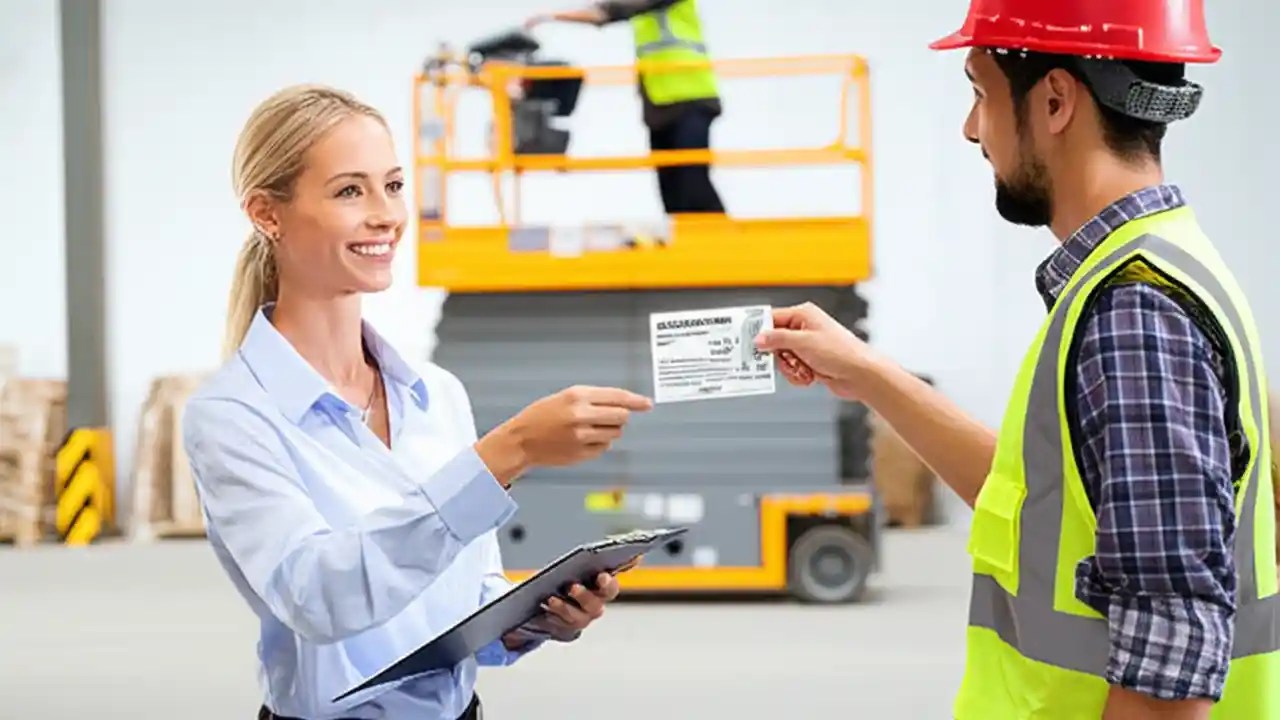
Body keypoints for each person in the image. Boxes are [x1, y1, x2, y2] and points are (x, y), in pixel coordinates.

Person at [754, 1, 1280, 718]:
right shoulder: (1158, 266)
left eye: (980, 91)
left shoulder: (1134, 313)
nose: (973, 128)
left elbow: (1171, 665)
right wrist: (871, 375)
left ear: (1055, 99)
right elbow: (1043, 513)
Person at [180, 84, 654, 720]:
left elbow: (462, 600)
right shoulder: (233, 416)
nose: (386, 215)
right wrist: (505, 454)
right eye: (351, 191)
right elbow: (321, 598)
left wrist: (533, 619)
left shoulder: (436, 397)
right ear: (267, 213)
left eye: (394, 185)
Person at [524, 0, 726, 215]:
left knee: (692, 182)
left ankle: (724, 241)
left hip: (690, 96)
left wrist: (551, 16)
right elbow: (605, 13)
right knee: (671, 189)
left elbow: (612, 11)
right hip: (660, 105)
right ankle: (688, 245)